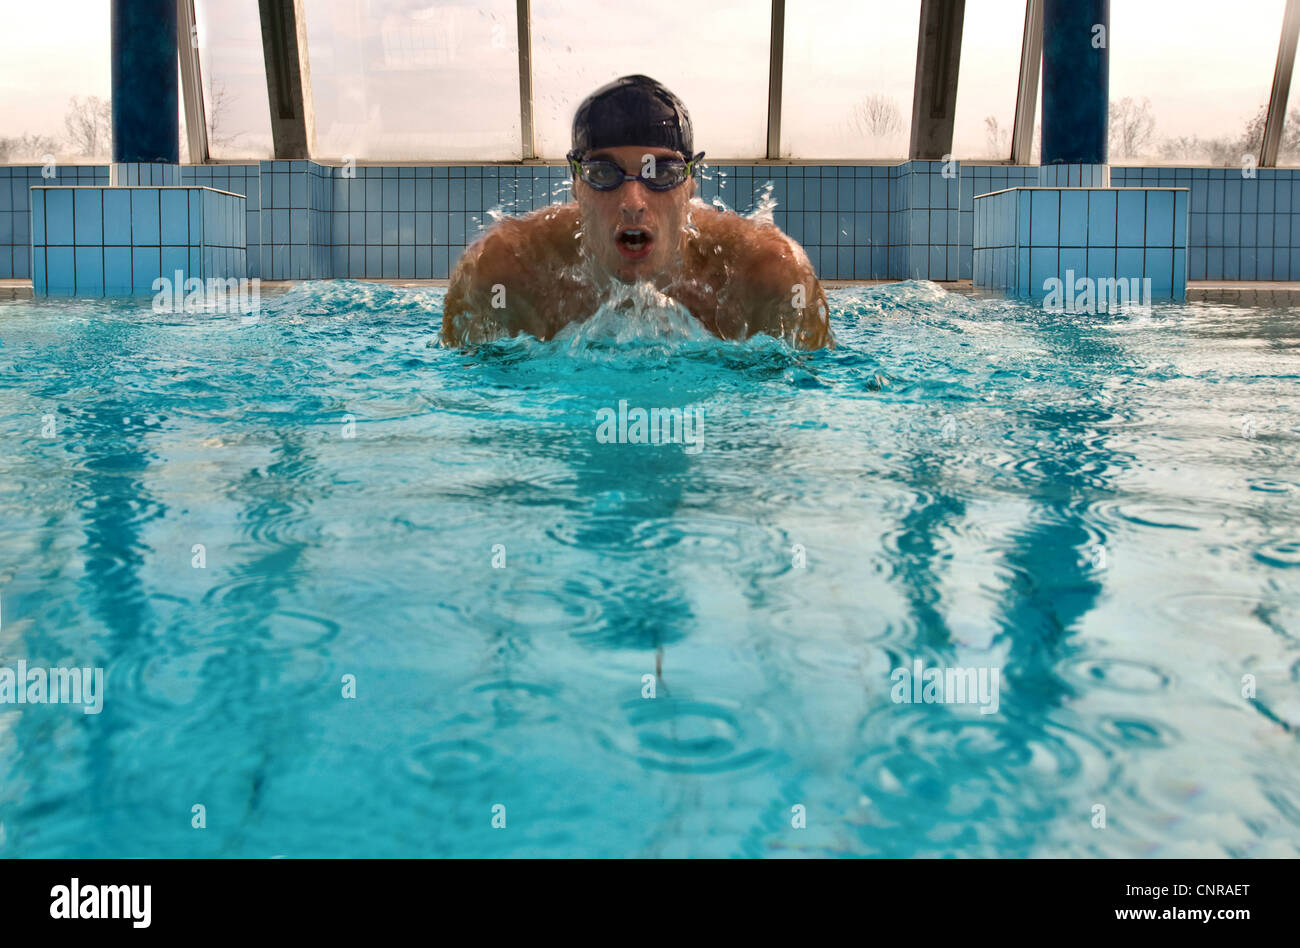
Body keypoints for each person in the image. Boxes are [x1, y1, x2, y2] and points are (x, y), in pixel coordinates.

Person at [441, 75, 832, 349]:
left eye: (660, 173)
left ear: (691, 182)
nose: (632, 201)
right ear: (576, 183)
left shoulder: (768, 275)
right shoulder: (503, 271)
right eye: (601, 173)